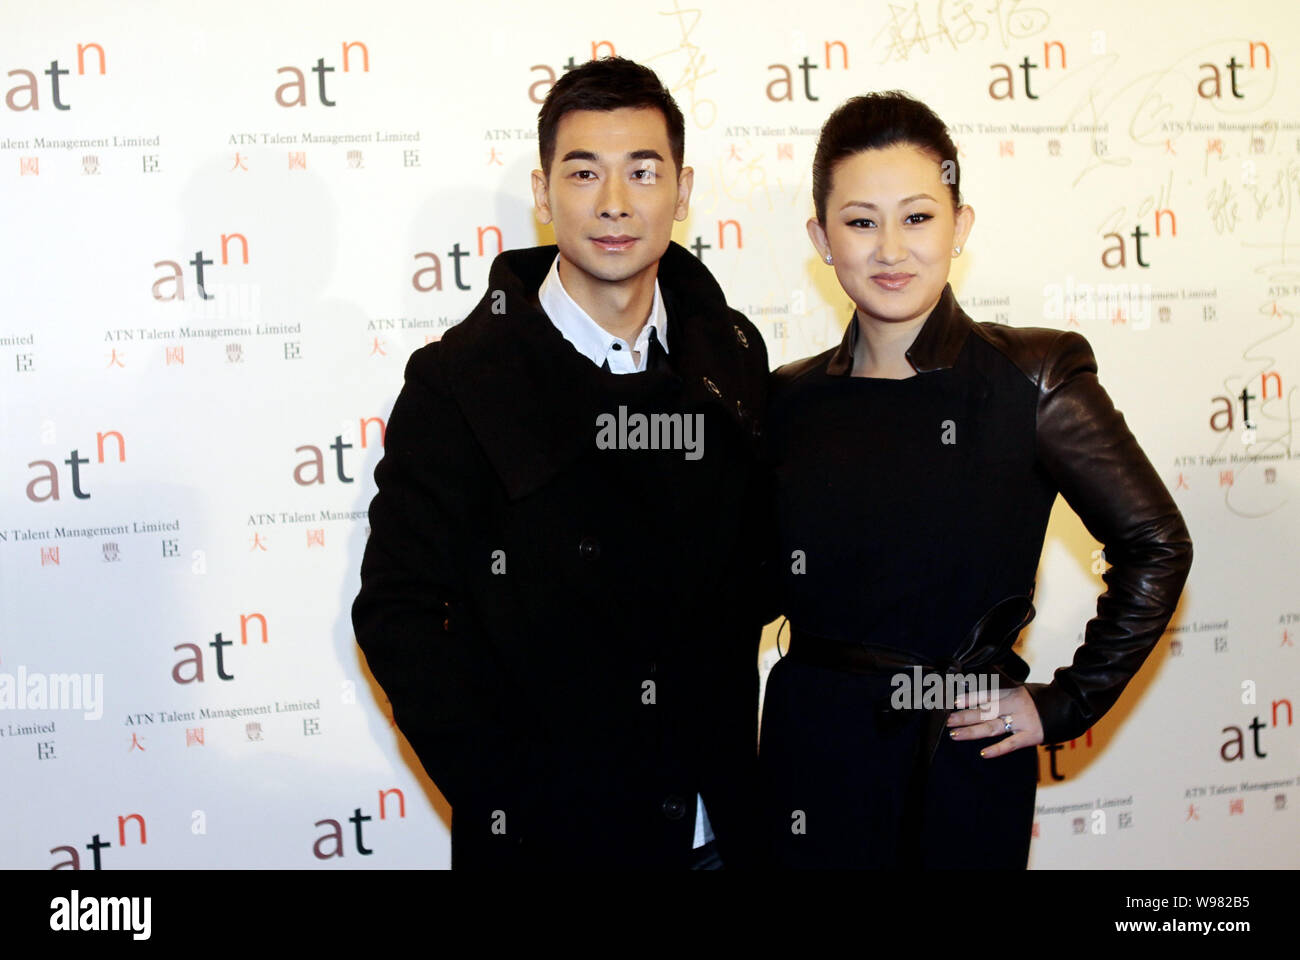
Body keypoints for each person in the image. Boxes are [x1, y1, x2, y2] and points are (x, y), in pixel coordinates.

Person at [351, 57, 770, 869]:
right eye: (584, 172)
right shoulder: (462, 383)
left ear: (682, 193)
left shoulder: (731, 354)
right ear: (544, 195)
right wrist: (508, 796)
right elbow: (397, 613)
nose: (615, 202)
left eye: (642, 172)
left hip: (719, 835)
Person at [757, 91, 1193, 869]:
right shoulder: (787, 398)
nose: (890, 248)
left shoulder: (1033, 378)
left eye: (918, 217)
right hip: (809, 751)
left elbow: (1156, 544)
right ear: (822, 239)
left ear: (960, 226)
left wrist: (1063, 705)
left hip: (959, 755)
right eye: (861, 222)